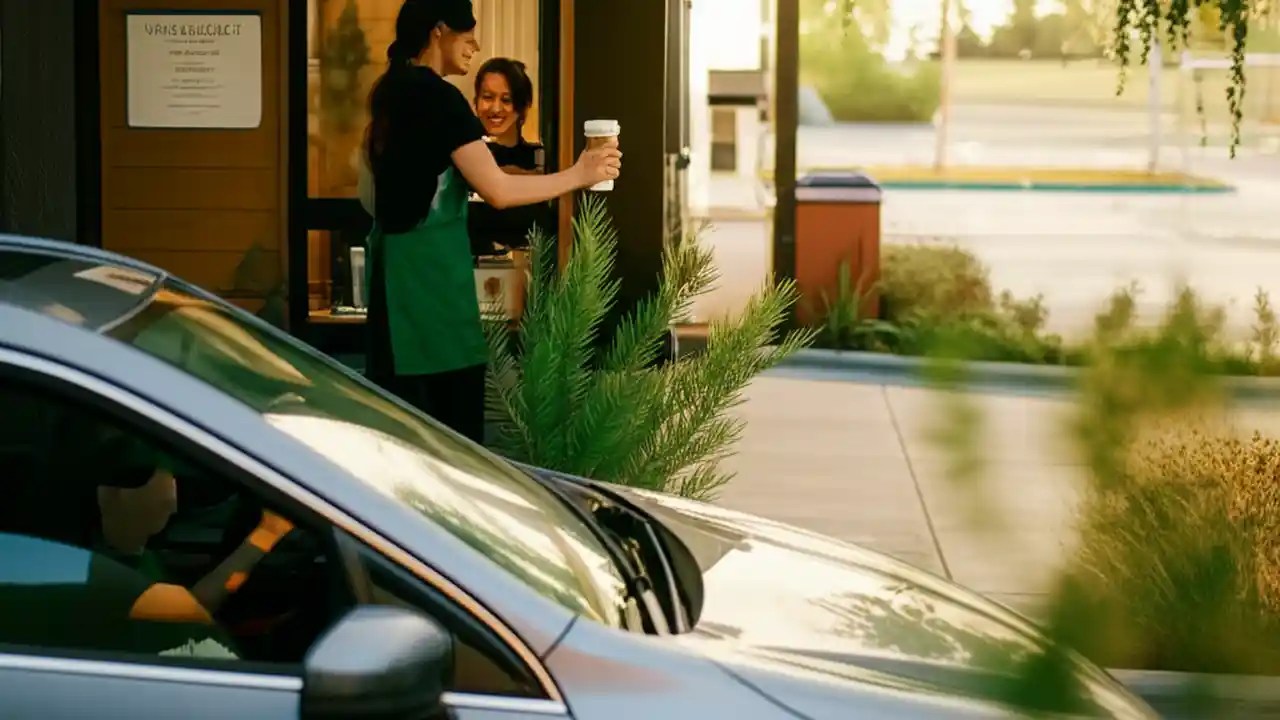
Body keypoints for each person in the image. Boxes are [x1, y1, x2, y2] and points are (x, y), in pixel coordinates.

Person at [361, 0, 620, 444]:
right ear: (440, 30)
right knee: (453, 437)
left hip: (394, 280)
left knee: (400, 432)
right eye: (468, 35)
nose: (475, 46)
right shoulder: (438, 98)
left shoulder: (391, 90)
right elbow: (497, 190)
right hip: (430, 286)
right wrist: (580, 175)